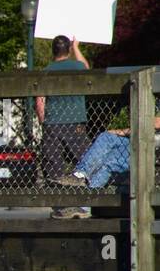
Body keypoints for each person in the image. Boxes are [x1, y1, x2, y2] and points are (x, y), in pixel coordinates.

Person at [36, 35, 91, 218]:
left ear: (53, 51)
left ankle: (61, 206)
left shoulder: (46, 71)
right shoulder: (77, 66)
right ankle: (83, 203)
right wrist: (77, 48)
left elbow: (40, 100)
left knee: (54, 164)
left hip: (53, 123)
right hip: (75, 121)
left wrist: (43, 120)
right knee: (83, 161)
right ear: (68, 50)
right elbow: (87, 68)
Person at [56, 115, 160, 207]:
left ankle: (83, 205)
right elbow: (148, 124)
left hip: (150, 152)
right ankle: (80, 176)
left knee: (109, 163)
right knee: (105, 137)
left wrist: (123, 131)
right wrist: (126, 131)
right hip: (139, 142)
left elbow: (153, 122)